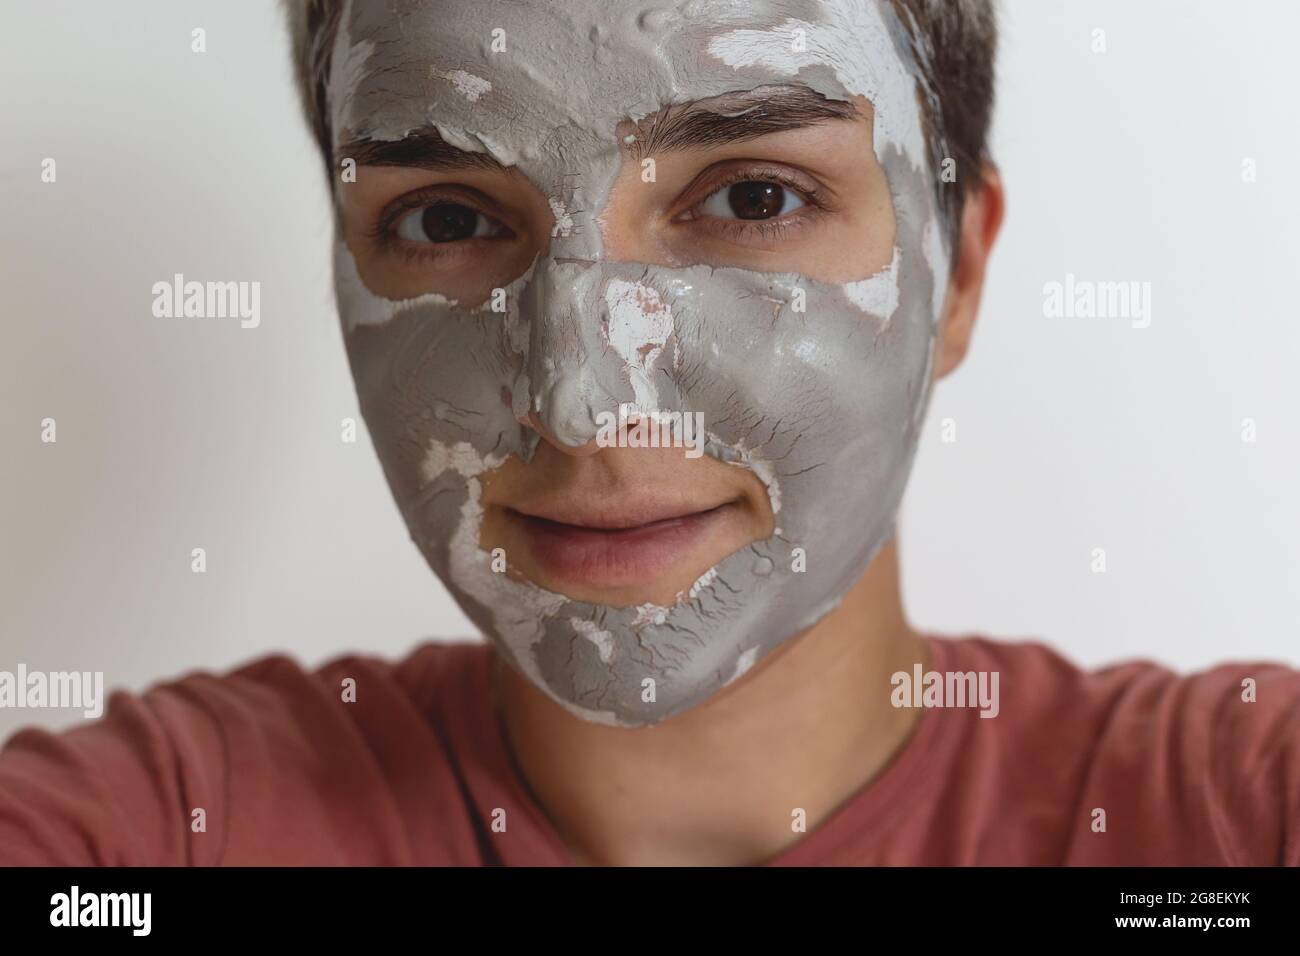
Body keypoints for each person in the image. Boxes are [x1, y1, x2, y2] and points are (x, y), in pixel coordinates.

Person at [1, 0, 1296, 867]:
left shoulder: (1233, 816)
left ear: (957, 276)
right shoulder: (152, 834)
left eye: (751, 196)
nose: (578, 399)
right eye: (447, 220)